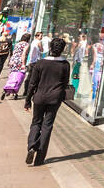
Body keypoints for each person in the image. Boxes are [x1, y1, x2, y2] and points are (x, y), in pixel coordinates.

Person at [23, 37, 72, 166]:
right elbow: (65, 83)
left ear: (50, 47)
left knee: (36, 123)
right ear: (63, 49)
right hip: (55, 98)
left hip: (39, 97)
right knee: (47, 125)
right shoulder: (65, 64)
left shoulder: (40, 63)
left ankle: (32, 145)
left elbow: (32, 84)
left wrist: (27, 100)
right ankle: (40, 157)